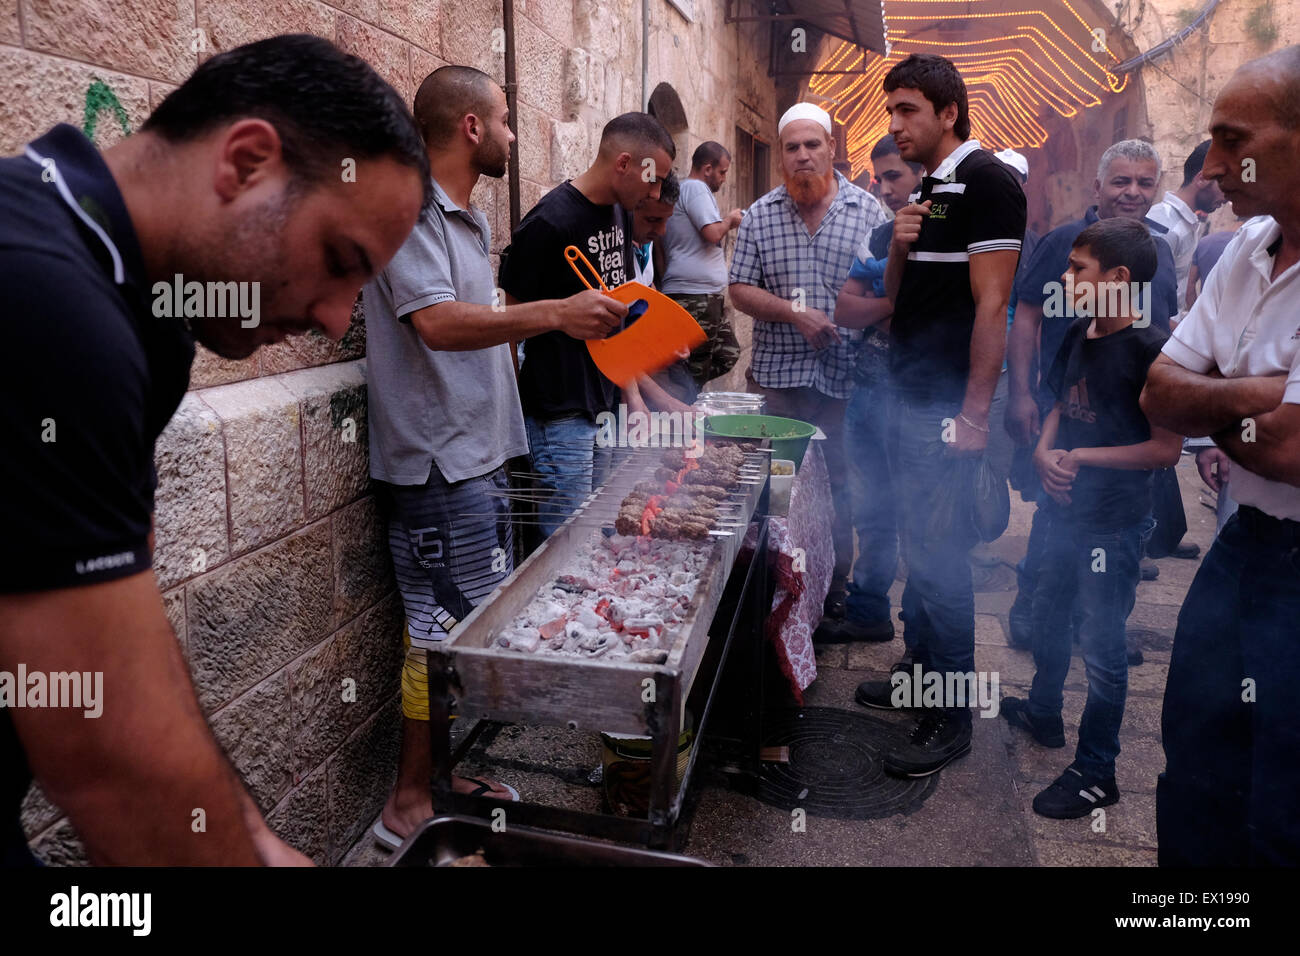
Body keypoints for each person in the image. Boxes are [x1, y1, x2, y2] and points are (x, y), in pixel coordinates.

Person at [0, 34, 430, 866]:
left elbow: (126, 650)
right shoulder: (46, 301)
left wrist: (257, 841)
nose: (337, 319)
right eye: (340, 262)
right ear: (246, 162)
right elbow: (111, 755)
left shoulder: (150, 312)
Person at [363, 66, 626, 848]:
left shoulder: (467, 221)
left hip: (476, 456)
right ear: (472, 128)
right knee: (438, 635)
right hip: (437, 464)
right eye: (507, 120)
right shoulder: (408, 213)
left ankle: (438, 782)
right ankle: (409, 804)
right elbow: (438, 325)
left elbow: (472, 324)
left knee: (461, 633)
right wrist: (555, 315)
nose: (515, 134)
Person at [1140, 44, 1300, 866]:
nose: (1212, 166)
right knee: (1196, 761)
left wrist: (1224, 402)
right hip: (1247, 544)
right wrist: (1259, 391)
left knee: (1282, 806)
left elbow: (1289, 448)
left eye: (1234, 138)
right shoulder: (1248, 248)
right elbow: (1159, 392)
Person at [854, 53, 1026, 776]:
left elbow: (992, 305)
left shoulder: (988, 183)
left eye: (906, 111)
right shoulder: (931, 187)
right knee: (916, 551)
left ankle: (950, 714)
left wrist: (976, 417)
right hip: (904, 390)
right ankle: (919, 673)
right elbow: (897, 299)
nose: (894, 125)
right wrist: (899, 242)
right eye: (891, 110)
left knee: (941, 559)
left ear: (948, 112)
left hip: (945, 405)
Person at [1000, 219, 1180, 818]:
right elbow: (1057, 403)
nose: (1066, 277)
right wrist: (1044, 451)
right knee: (1047, 615)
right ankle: (1043, 712)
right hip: (1061, 513)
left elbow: (1164, 450)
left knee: (1101, 647)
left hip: (1114, 524)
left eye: (1078, 268)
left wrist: (1080, 457)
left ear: (1118, 278)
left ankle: (1097, 769)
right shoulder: (1080, 330)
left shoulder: (1153, 352)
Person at [1003, 139, 1186, 651]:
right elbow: (1027, 320)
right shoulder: (1064, 241)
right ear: (1098, 186)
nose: (1132, 192)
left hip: (1129, 422)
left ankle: (1099, 623)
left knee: (1120, 527)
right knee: (1052, 512)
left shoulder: (1159, 251)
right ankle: (1032, 612)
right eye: (1121, 181)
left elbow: (1165, 323)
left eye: (1144, 182)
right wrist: (1021, 395)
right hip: (1069, 406)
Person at [728, 102, 889, 618]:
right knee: (777, 484)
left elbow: (891, 292)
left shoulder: (870, 214)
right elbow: (738, 289)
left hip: (846, 385)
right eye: (791, 147)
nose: (802, 156)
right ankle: (775, 579)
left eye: (812, 145)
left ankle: (834, 586)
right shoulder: (759, 215)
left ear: (832, 148)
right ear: (781, 155)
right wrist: (796, 313)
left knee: (842, 485)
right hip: (780, 380)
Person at [499, 112, 674, 538]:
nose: (655, 191)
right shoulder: (549, 222)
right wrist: (516, 415)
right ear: (623, 163)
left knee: (598, 530)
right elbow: (509, 326)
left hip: (605, 402)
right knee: (566, 540)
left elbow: (619, 316)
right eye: (652, 179)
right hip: (559, 412)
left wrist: (632, 397)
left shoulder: (618, 212)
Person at [816, 134, 922, 644]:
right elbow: (843, 310)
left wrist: (881, 305)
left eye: (894, 176)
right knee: (872, 508)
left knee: (919, 517)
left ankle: (926, 639)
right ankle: (868, 612)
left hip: (920, 398)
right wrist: (893, 308)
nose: (883, 188)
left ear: (922, 172)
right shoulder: (879, 236)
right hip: (869, 391)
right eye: (878, 178)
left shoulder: (952, 238)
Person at [658, 142, 743, 396]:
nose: (724, 179)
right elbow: (712, 233)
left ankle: (682, 394)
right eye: (722, 172)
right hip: (695, 296)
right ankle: (682, 408)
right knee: (695, 369)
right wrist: (731, 219)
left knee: (727, 353)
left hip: (699, 294)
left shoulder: (685, 191)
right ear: (707, 169)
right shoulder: (696, 188)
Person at [1146, 139, 1225, 309]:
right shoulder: (1164, 225)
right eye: (1224, 184)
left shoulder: (1186, 223)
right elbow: (1145, 305)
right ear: (1202, 179)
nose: (1227, 197)